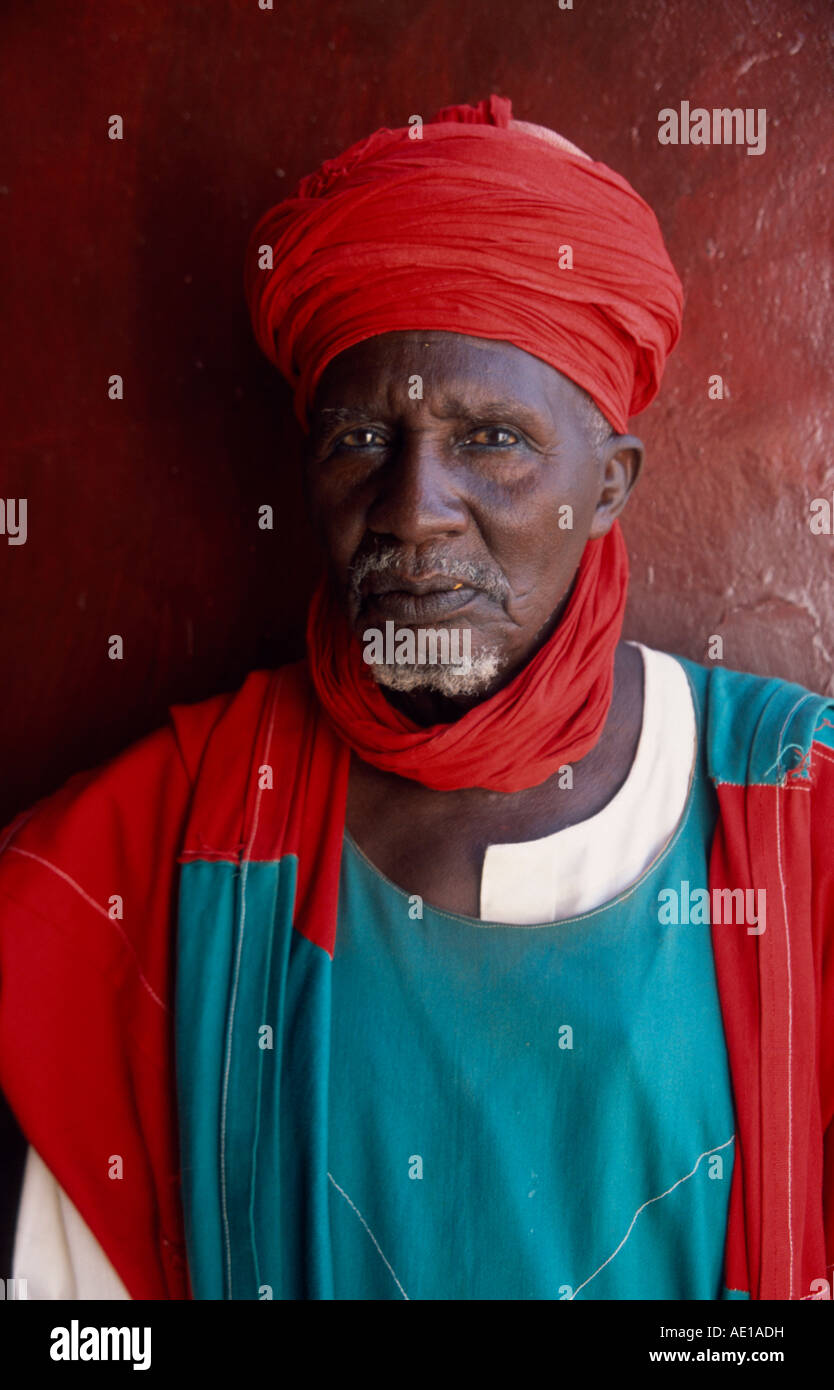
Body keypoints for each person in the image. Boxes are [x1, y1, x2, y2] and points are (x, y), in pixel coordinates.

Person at [2, 95, 832, 1302]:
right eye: (359, 442)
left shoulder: (797, 811)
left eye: (491, 439)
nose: (412, 509)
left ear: (608, 486)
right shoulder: (167, 834)